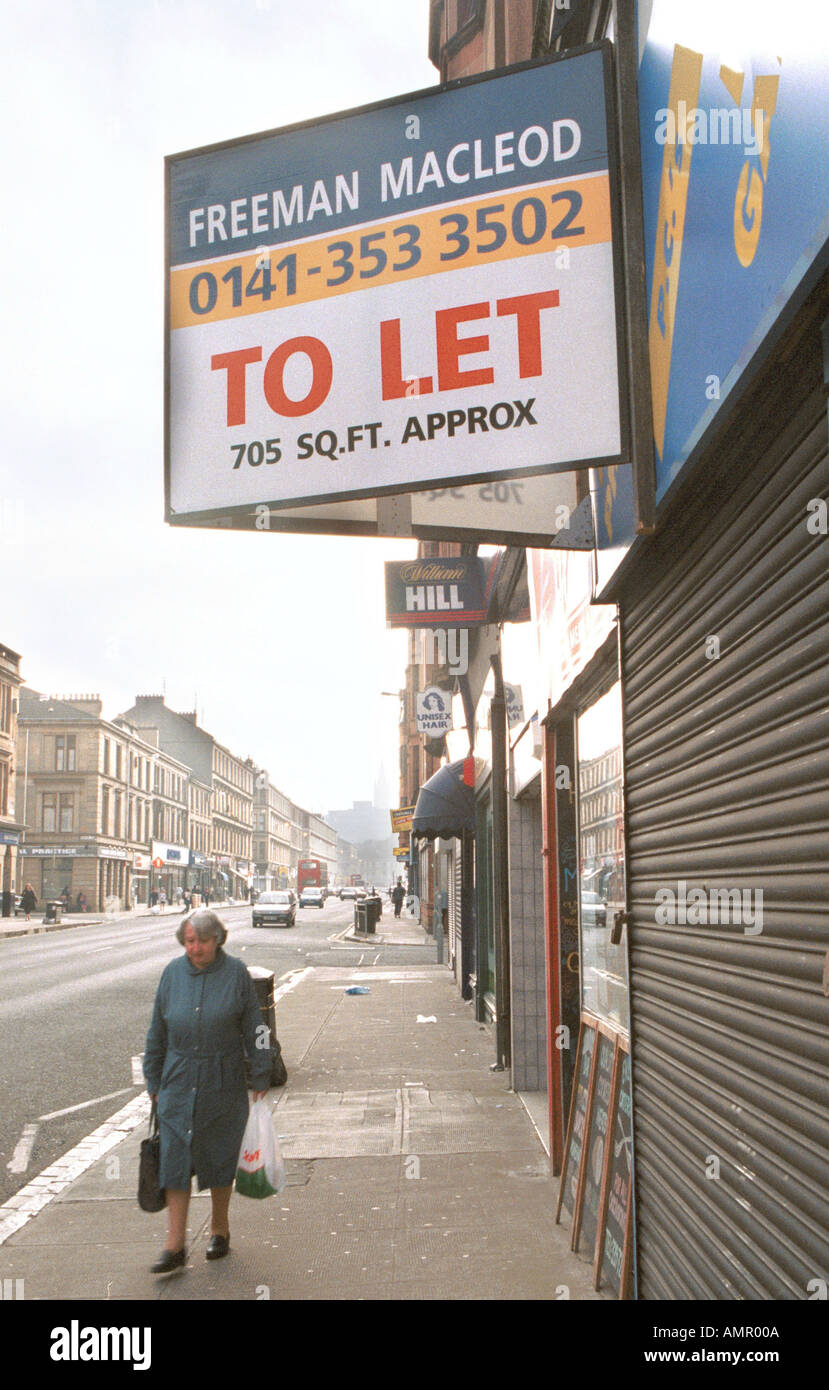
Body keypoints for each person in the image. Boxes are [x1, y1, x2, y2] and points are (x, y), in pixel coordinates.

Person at [143, 909, 271, 1275]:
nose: (195, 948)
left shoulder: (236, 974)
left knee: (219, 1155)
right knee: (174, 1159)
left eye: (202, 941)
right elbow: (157, 1031)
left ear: (218, 939)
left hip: (222, 1079)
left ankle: (219, 1228)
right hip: (177, 1080)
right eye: (189, 941)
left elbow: (256, 1028)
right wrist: (153, 1080)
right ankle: (174, 1245)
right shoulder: (172, 974)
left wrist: (261, 1071)